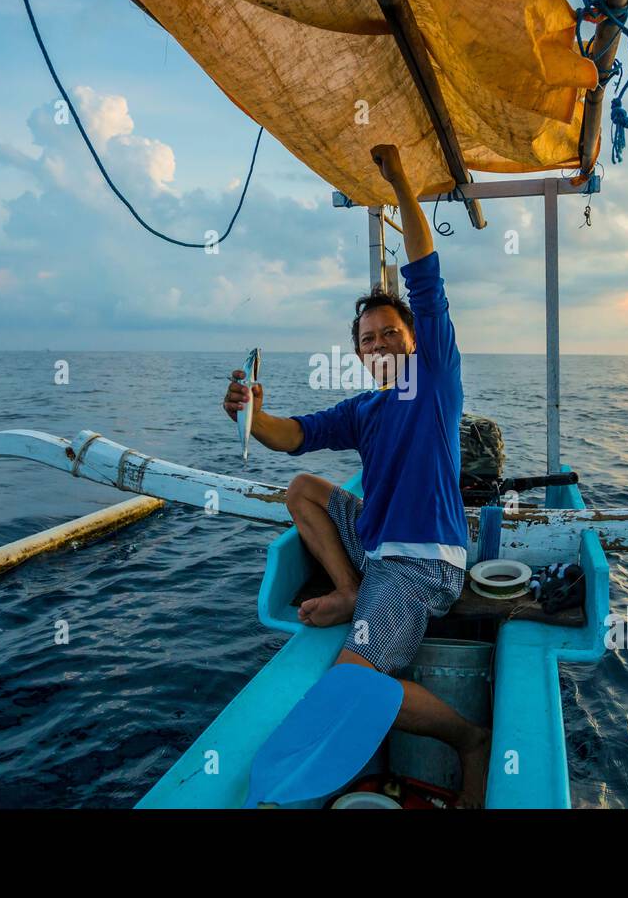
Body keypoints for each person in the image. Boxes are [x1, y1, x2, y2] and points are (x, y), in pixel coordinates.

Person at [221, 143, 489, 806]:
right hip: (376, 548)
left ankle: (467, 736)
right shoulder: (364, 409)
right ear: (360, 356)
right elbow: (294, 439)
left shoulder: (433, 382)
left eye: (390, 333)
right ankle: (348, 590)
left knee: (351, 679)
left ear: (414, 338)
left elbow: (426, 276)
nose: (381, 344)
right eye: (369, 340)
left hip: (419, 564)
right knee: (303, 488)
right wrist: (254, 416)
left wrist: (399, 180)